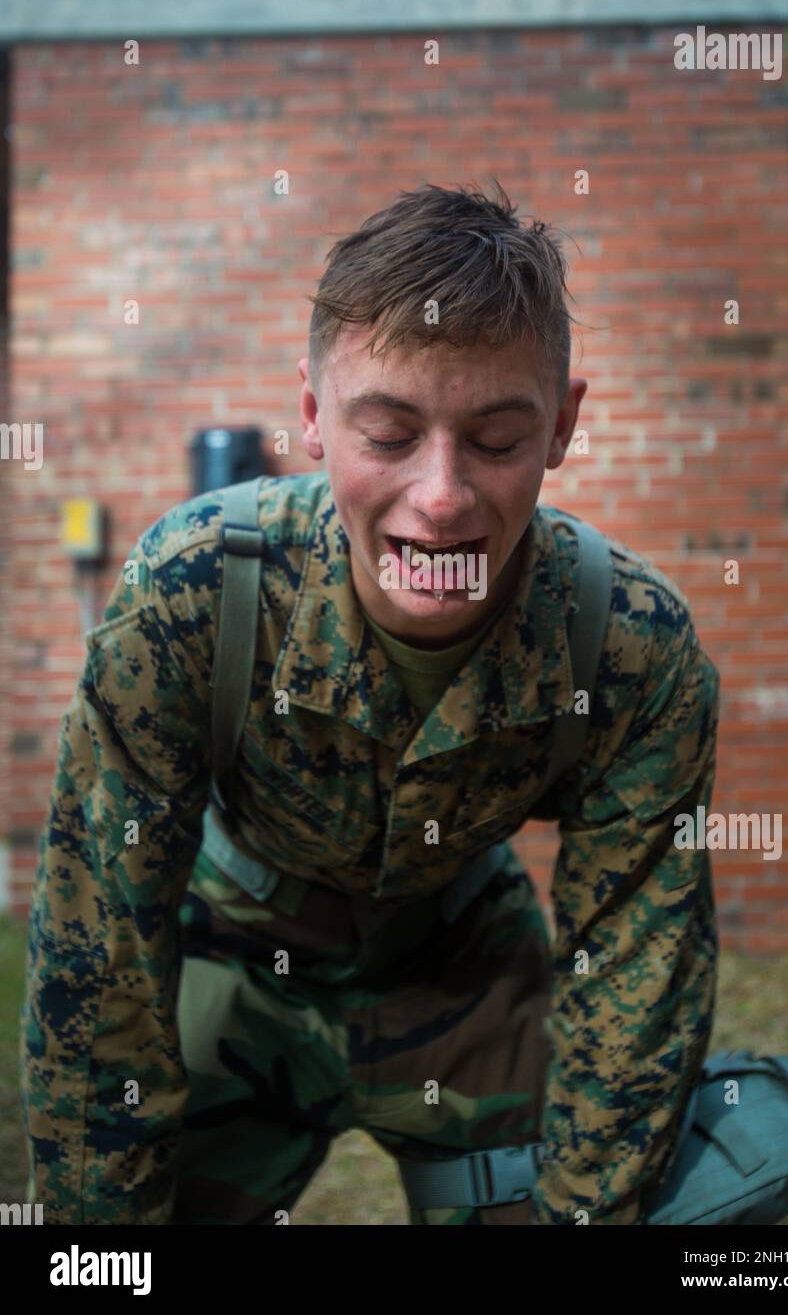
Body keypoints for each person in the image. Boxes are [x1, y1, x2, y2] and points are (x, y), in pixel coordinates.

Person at [21, 181, 721, 1226]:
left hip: (461, 967)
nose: (439, 497)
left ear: (562, 425)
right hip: (234, 959)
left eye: (493, 440)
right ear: (310, 416)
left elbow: (635, 964)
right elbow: (99, 945)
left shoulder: (629, 645)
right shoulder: (193, 595)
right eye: (388, 435)